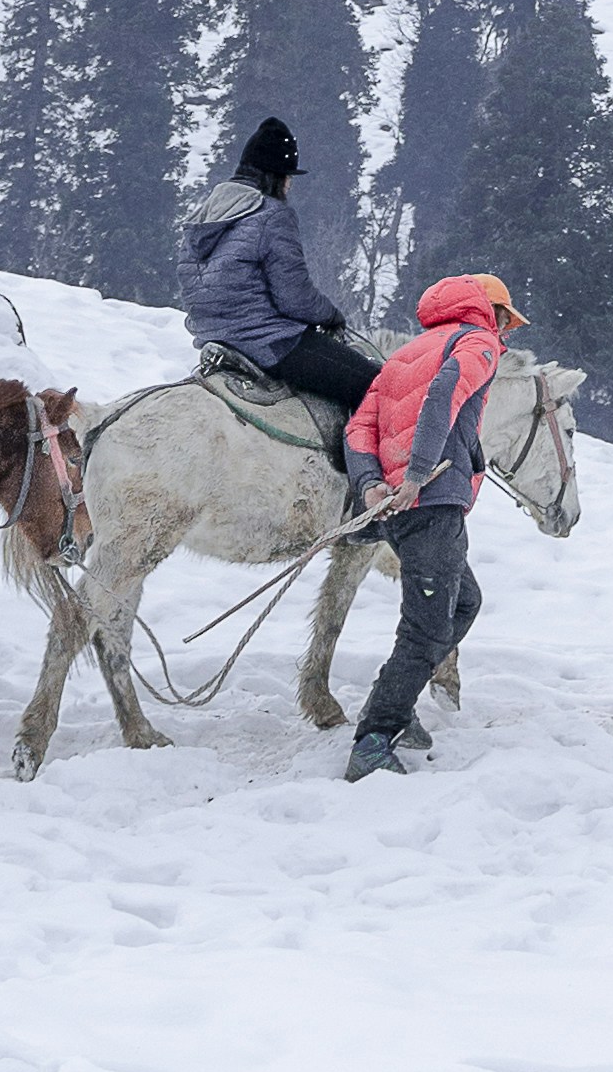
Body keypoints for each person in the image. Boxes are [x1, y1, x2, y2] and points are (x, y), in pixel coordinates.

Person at [340, 269, 522, 781]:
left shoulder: (406, 354)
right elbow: (444, 394)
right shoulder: (478, 342)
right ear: (492, 312)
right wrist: (419, 473)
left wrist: (370, 484)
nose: (506, 332)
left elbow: (360, 425)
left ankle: (396, 701)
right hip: (430, 503)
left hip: (398, 507)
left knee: (465, 601)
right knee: (427, 626)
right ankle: (375, 738)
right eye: (505, 319)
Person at [178, 114, 379, 426]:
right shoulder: (272, 215)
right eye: (288, 177)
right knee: (378, 386)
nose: (289, 185)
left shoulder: (203, 217)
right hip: (271, 345)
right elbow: (293, 296)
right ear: (275, 176)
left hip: (213, 342)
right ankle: (369, 475)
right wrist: (330, 315)